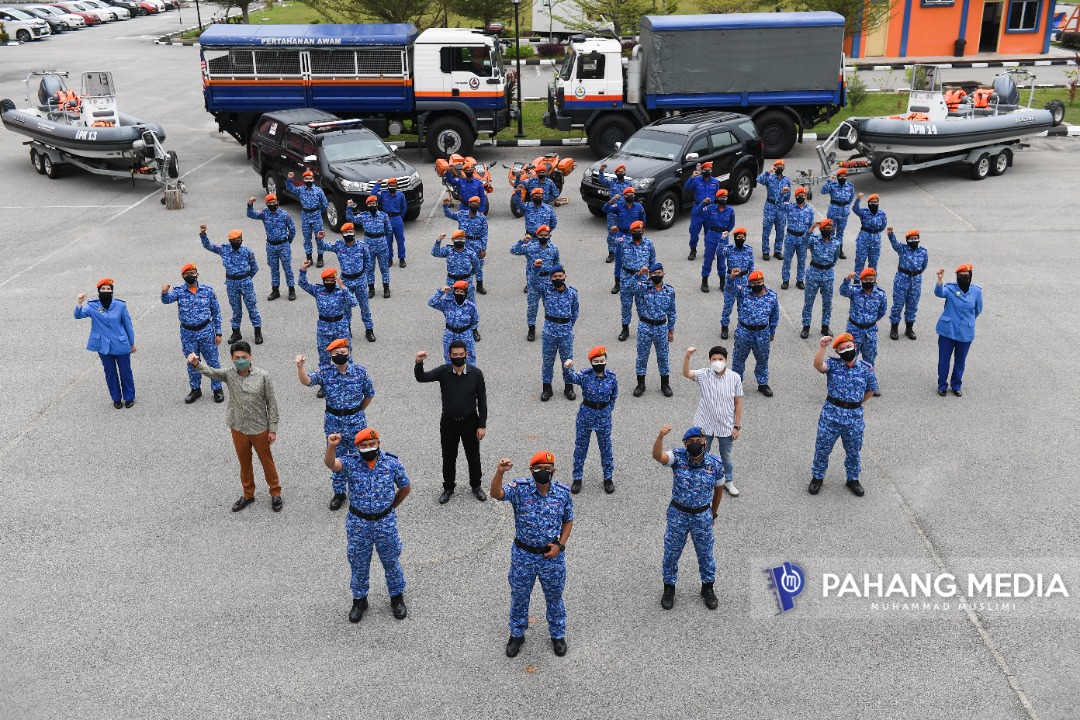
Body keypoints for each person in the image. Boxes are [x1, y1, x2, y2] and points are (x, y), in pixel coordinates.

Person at [490, 452, 573, 659]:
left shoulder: (562, 493)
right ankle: (517, 634)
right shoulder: (520, 489)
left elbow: (568, 520)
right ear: (531, 470)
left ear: (553, 471)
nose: (543, 472)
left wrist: (560, 546)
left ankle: (557, 634)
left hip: (550, 557)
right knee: (519, 596)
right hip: (523, 556)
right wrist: (499, 472)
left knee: (554, 597)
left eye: (547, 468)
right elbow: (496, 494)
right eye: (539, 468)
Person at [324, 428, 410, 623]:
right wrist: (331, 446)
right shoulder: (350, 463)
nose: (368, 448)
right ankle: (359, 600)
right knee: (358, 563)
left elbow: (405, 487)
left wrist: (390, 507)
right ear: (357, 447)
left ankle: (397, 598)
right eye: (363, 446)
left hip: (385, 523)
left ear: (378, 443)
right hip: (358, 524)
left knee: (391, 562)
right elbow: (331, 464)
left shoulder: (391, 462)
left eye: (372, 444)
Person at [189, 341, 282, 512]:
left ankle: (275, 492)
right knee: (244, 463)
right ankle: (248, 494)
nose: (241, 361)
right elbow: (212, 372)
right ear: (232, 359)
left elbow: (272, 403)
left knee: (267, 462)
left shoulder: (263, 376)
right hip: (238, 427)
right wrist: (196, 363)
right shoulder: (229, 374)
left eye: (244, 357)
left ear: (250, 357)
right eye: (237, 358)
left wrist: (273, 429)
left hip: (259, 428)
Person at [651, 425, 724, 611]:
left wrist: (712, 513)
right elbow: (658, 456)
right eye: (691, 443)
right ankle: (669, 588)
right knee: (671, 553)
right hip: (678, 514)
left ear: (705, 442)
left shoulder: (715, 463)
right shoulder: (678, 457)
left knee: (706, 553)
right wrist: (660, 437)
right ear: (685, 443)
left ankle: (707, 588)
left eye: (698, 442)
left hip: (702, 515)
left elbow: (718, 491)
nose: (695, 445)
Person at [298, 340, 376, 510]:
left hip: (356, 422)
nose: (340, 356)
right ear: (331, 356)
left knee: (362, 457)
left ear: (349, 352)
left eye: (343, 352)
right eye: (336, 354)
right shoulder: (326, 373)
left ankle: (362, 490)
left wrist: (358, 411)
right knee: (336, 458)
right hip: (334, 423)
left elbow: (369, 394)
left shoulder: (360, 373)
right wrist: (300, 367)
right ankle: (339, 492)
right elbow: (307, 381)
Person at [415, 345, 488, 504]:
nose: (458, 357)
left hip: (470, 421)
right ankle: (448, 487)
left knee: (473, 456)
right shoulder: (443, 371)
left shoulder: (476, 374)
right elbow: (421, 378)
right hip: (449, 422)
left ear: (466, 354)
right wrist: (419, 363)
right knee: (448, 456)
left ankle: (476, 486)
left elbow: (482, 400)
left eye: (461, 354)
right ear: (449, 355)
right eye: (455, 354)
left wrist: (482, 425)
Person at [809, 333, 878, 497]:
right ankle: (817, 477)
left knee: (854, 450)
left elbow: (871, 389)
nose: (846, 350)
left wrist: (857, 403)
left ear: (855, 347)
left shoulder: (866, 368)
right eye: (842, 349)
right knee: (822, 448)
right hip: (831, 416)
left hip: (854, 418)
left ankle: (853, 479)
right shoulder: (833, 364)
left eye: (848, 347)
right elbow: (818, 365)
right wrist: (822, 347)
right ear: (838, 352)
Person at [682, 346, 742, 496]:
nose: (717, 362)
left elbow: (738, 403)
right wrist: (687, 357)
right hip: (705, 424)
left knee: (726, 455)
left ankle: (728, 481)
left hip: (725, 426)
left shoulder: (734, 377)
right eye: (714, 359)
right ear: (710, 361)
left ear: (726, 360)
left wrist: (737, 426)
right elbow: (687, 373)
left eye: (720, 359)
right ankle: (698, 479)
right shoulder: (703, 374)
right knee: (701, 453)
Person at [161, 264, 224, 404]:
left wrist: (218, 332)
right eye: (187, 273)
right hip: (188, 333)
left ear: (197, 274)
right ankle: (195, 389)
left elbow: (216, 312)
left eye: (193, 272)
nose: (190, 275)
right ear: (183, 276)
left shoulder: (208, 290)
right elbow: (167, 300)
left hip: (206, 330)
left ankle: (217, 388)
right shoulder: (179, 291)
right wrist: (164, 292)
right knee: (192, 361)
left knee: (213, 361)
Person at [563, 346, 618, 494]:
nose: (599, 363)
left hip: (604, 416)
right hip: (586, 415)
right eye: (596, 361)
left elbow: (614, 395)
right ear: (591, 362)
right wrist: (567, 368)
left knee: (606, 448)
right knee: (581, 447)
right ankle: (577, 478)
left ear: (606, 360)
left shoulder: (612, 377)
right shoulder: (585, 375)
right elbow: (571, 379)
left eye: (602, 360)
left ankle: (608, 478)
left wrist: (607, 410)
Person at [75, 278, 136, 409]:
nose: (106, 291)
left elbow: (128, 325)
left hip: (121, 344)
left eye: (108, 289)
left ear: (112, 291)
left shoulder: (120, 306)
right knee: (110, 372)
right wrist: (79, 303)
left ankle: (129, 397)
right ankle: (116, 398)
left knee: (125, 371)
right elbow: (78, 315)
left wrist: (132, 343)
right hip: (103, 346)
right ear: (99, 291)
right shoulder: (92, 306)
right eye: (103, 289)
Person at [297, 263, 359, 386]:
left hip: (340, 326)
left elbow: (354, 302)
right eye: (327, 280)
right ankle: (324, 384)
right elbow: (302, 284)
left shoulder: (341, 291)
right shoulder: (318, 290)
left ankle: (349, 381)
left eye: (332, 280)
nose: (330, 282)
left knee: (345, 355)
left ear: (335, 280)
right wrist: (303, 270)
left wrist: (343, 287)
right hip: (324, 328)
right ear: (324, 281)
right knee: (324, 357)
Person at [199, 226, 262, 345]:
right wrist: (203, 234)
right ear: (230, 241)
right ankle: (236, 332)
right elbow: (209, 246)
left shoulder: (247, 251)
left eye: (239, 240)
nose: (236, 242)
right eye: (234, 241)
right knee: (236, 309)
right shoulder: (224, 249)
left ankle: (257, 332)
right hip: (231, 283)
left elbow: (255, 268)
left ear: (242, 240)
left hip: (245, 282)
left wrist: (246, 278)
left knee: (252, 307)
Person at [318, 225, 376, 343]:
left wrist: (363, 274)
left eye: (350, 231)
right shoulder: (338, 245)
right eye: (345, 232)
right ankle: (346, 330)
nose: (348, 234)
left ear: (354, 232)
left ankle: (369, 329)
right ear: (342, 235)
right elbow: (323, 246)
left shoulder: (361, 246)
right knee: (346, 308)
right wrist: (319, 239)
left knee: (364, 306)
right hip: (345, 281)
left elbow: (368, 261)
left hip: (360, 280)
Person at [934, 264, 982, 397]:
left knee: (960, 361)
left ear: (970, 277)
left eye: (966, 277)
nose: (963, 279)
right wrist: (939, 280)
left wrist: (968, 322)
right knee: (944, 359)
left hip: (966, 332)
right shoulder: (950, 288)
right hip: (947, 330)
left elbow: (978, 310)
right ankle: (942, 385)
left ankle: (956, 385)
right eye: (961, 277)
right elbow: (939, 293)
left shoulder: (976, 291)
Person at [630, 262, 677, 398]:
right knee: (642, 356)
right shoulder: (643, 287)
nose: (657, 275)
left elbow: (672, 312)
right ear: (650, 275)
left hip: (662, 327)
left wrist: (671, 330)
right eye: (654, 273)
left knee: (663, 356)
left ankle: (665, 384)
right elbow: (629, 287)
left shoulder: (669, 291)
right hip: (645, 326)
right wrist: (639, 274)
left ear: (663, 274)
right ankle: (640, 384)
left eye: (659, 273)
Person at [839, 268, 889, 396]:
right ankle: (846, 383)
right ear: (861, 280)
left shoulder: (880, 294)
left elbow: (882, 311)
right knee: (849, 357)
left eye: (871, 280)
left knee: (869, 358)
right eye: (866, 280)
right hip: (854, 329)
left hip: (870, 331)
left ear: (875, 280)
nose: (868, 282)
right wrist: (847, 280)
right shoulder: (855, 291)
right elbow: (843, 291)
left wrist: (870, 321)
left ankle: (870, 385)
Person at [730, 270, 779, 397]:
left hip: (762, 333)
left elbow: (774, 315)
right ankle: (736, 384)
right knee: (738, 359)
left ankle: (762, 383)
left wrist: (772, 331)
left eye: (759, 282)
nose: (757, 284)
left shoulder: (772, 296)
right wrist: (732, 277)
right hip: (744, 331)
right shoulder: (744, 292)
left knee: (763, 358)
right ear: (749, 283)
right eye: (754, 282)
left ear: (763, 281)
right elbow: (730, 288)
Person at [510, 227, 561, 342]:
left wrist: (558, 281)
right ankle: (531, 329)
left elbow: (557, 265)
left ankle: (550, 329)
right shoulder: (530, 247)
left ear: (550, 236)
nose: (544, 237)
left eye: (546, 235)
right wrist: (522, 241)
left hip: (549, 282)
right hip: (534, 281)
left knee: (550, 307)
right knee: (532, 307)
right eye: (541, 235)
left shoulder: (554, 249)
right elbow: (513, 250)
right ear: (537, 236)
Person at [539, 265, 579, 402]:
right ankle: (546, 388)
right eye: (555, 277)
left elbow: (575, 312)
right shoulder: (546, 290)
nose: (558, 279)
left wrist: (567, 325)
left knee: (567, 360)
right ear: (550, 278)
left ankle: (569, 387)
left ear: (565, 277)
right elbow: (534, 282)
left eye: (560, 276)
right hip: (549, 331)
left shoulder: (572, 293)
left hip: (565, 332)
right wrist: (536, 268)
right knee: (547, 361)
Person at [246, 194, 296, 302]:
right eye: (270, 203)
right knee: (274, 269)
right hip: (271, 246)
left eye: (274, 203)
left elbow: (292, 229)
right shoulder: (264, 213)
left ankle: (291, 289)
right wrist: (250, 204)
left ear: (277, 202)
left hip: (283, 245)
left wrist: (287, 242)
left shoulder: (285, 215)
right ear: (266, 204)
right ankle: (275, 290)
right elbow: (250, 214)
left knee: (287, 268)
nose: (272, 205)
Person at [614, 220, 657, 341]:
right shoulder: (624, 242)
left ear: (643, 231)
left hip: (643, 278)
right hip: (627, 277)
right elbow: (612, 242)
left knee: (642, 304)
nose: (637, 233)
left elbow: (653, 260)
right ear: (630, 232)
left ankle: (644, 329)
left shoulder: (648, 243)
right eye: (634, 231)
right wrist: (613, 232)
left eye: (639, 231)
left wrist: (652, 276)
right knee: (626, 305)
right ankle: (625, 328)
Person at [801, 219, 841, 339]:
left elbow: (835, 258)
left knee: (827, 302)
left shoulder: (836, 243)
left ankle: (825, 326)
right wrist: (812, 227)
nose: (827, 231)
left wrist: (827, 268)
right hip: (814, 273)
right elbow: (804, 242)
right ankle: (806, 327)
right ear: (820, 229)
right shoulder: (814, 239)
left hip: (828, 274)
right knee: (809, 301)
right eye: (825, 229)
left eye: (830, 229)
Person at [346, 197, 393, 299]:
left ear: (377, 204)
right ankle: (371, 289)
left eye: (374, 203)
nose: (372, 205)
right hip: (368, 245)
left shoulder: (383, 216)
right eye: (370, 203)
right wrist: (349, 207)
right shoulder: (364, 216)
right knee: (369, 268)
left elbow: (389, 230)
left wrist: (381, 238)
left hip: (381, 245)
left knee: (384, 267)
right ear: (367, 205)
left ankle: (386, 288)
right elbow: (351, 219)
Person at [887, 227, 928, 341]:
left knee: (912, 305)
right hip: (902, 280)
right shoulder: (902, 249)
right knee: (898, 304)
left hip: (916, 281)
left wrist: (915, 275)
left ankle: (909, 329)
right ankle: (894, 328)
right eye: (911, 238)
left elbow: (924, 266)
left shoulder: (923, 252)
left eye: (916, 238)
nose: (914, 240)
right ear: (907, 240)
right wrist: (891, 234)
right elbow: (894, 244)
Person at [443, 195, 489, 295]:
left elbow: (484, 234)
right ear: (469, 204)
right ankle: (463, 284)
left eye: (476, 205)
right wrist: (445, 206)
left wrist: (483, 248)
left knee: (479, 265)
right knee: (463, 264)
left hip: (477, 244)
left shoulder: (482, 218)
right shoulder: (462, 214)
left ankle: (480, 285)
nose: (474, 206)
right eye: (473, 204)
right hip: (463, 243)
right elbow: (449, 214)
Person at [605, 188, 646, 294]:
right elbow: (605, 209)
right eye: (628, 194)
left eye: (632, 194)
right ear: (624, 196)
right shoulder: (619, 206)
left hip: (634, 235)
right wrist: (612, 200)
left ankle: (637, 282)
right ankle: (617, 283)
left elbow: (643, 221)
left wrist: (641, 232)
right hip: (622, 235)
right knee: (619, 259)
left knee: (637, 258)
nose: (630, 196)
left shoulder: (639, 207)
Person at [428, 282, 479, 364]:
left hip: (465, 334)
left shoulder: (470, 306)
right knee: (449, 357)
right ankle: (451, 375)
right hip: (450, 334)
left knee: (470, 357)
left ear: (465, 293)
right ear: (454, 292)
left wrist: (472, 331)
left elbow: (475, 320)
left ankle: (470, 376)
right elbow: (431, 302)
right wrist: (441, 292)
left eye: (461, 292)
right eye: (457, 291)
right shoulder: (447, 303)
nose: (459, 293)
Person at [718, 228, 755, 340]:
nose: (741, 239)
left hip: (744, 281)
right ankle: (724, 327)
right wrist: (722, 239)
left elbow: (751, 267)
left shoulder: (749, 250)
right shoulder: (729, 249)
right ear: (735, 238)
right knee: (728, 306)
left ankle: (741, 328)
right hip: (731, 280)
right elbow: (719, 252)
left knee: (743, 307)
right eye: (739, 237)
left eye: (743, 237)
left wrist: (751, 282)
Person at [288, 169, 328, 267]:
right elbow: (290, 188)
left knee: (319, 237)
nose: (308, 180)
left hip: (316, 216)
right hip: (305, 216)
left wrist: (318, 213)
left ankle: (320, 257)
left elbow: (325, 204)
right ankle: (309, 258)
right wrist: (289, 179)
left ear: (313, 179)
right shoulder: (300, 189)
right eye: (306, 178)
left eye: (310, 178)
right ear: (303, 179)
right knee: (307, 238)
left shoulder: (318, 191)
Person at [699, 189, 735, 293]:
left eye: (724, 198)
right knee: (708, 259)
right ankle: (704, 280)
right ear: (716, 198)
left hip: (723, 236)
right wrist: (703, 203)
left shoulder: (730, 211)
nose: (722, 200)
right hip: (712, 235)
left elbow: (731, 224)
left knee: (721, 261)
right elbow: (699, 213)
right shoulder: (710, 209)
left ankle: (722, 282)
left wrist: (726, 232)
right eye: (720, 198)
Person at [595, 162, 632, 263]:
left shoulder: (628, 184)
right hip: (613, 211)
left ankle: (624, 253)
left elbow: (632, 195)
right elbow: (601, 180)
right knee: (612, 232)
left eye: (622, 172)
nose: (620, 173)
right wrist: (601, 169)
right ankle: (611, 253)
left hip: (624, 211)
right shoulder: (612, 182)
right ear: (616, 173)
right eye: (618, 172)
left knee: (625, 232)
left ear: (625, 173)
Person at [432, 230, 482, 304]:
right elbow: (435, 253)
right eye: (457, 239)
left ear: (465, 240)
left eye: (462, 239)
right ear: (453, 240)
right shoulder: (448, 251)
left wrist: (469, 275)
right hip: (452, 282)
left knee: (469, 304)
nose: (460, 241)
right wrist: (439, 240)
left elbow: (477, 266)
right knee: (450, 304)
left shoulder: (470, 253)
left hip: (466, 282)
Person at [780, 186, 815, 290]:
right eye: (799, 196)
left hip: (803, 238)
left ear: (805, 197)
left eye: (803, 196)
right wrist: (782, 193)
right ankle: (785, 280)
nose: (801, 197)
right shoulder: (790, 207)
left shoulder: (809, 210)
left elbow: (811, 226)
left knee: (802, 260)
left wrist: (810, 240)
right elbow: (778, 204)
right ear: (795, 196)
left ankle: (800, 280)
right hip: (791, 237)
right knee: (787, 260)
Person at [684, 162, 720, 260]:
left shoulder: (715, 182)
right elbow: (687, 187)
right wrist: (692, 177)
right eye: (705, 170)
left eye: (709, 170)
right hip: (698, 208)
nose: (707, 172)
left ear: (711, 171)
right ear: (702, 170)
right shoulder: (696, 180)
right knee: (694, 231)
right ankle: (693, 250)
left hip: (710, 210)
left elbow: (718, 196)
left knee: (709, 233)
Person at [757, 160, 791, 260]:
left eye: (781, 166)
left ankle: (778, 251)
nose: (780, 168)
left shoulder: (786, 179)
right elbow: (759, 180)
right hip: (770, 206)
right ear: (774, 167)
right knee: (767, 229)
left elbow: (788, 194)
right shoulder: (770, 178)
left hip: (781, 208)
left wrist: (786, 206)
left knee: (780, 230)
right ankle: (766, 251)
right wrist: (768, 171)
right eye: (778, 166)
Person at [370, 178, 408, 267]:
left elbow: (404, 207)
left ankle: (402, 258)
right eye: (390, 185)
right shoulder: (383, 194)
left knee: (400, 240)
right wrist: (377, 184)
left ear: (396, 186)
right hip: (387, 219)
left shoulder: (400, 195)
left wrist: (399, 217)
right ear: (387, 186)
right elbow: (373, 195)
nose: (392, 187)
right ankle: (389, 259)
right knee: (388, 241)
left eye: (393, 185)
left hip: (397, 218)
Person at [819, 168, 854, 259]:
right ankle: (828, 250)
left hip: (844, 212)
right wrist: (829, 181)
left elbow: (850, 198)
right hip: (833, 211)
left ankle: (839, 251)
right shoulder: (833, 185)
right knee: (830, 231)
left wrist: (845, 206)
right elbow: (823, 191)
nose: (843, 178)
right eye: (841, 176)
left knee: (840, 232)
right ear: (838, 177)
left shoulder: (850, 186)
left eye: (844, 176)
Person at [851, 192, 887, 274]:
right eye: (871, 202)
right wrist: (858, 199)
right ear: (868, 203)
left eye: (875, 202)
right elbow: (855, 209)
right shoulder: (864, 212)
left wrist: (875, 232)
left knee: (873, 261)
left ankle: (872, 280)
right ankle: (857, 279)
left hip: (876, 240)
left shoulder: (882, 214)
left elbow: (883, 226)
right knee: (860, 260)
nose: (873, 204)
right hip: (864, 238)